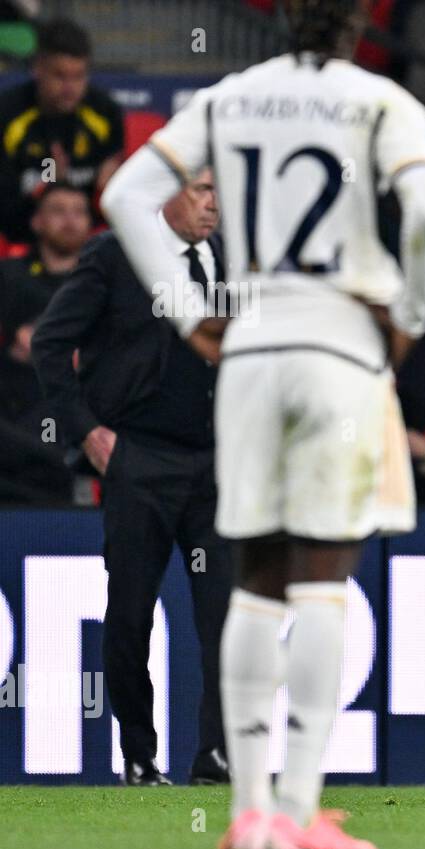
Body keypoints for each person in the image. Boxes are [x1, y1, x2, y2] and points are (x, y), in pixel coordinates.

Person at [100, 0, 425, 849]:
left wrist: (189, 314)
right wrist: (406, 318)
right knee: (323, 577)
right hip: (338, 344)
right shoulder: (381, 102)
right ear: (360, 24)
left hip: (251, 349)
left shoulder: (231, 96)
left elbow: (124, 193)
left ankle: (249, 812)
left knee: (255, 577)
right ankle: (299, 808)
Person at [33, 170, 232, 787]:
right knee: (129, 617)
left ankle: (217, 757)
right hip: (140, 461)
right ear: (166, 193)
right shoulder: (116, 253)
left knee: (227, 617)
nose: (213, 205)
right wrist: (87, 431)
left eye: (219, 192)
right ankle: (141, 757)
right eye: (201, 190)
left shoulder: (232, 259)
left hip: (217, 464)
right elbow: (49, 343)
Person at [0, 183, 89, 504]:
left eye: (79, 212)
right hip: (15, 403)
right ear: (37, 222)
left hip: (78, 407)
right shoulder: (9, 275)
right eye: (58, 211)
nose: (70, 220)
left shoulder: (103, 281)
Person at [0, 18, 123, 242]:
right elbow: (5, 209)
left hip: (89, 242)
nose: (70, 88)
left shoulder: (105, 114)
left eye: (78, 76)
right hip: (23, 239)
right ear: (38, 69)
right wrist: (50, 190)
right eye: (60, 75)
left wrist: (109, 188)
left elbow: (113, 205)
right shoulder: (7, 115)